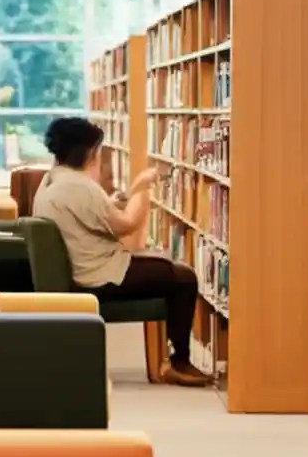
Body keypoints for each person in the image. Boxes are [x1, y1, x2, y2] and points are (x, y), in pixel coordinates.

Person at [32, 116, 208, 388]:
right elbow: (127, 226)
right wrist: (142, 188)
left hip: (81, 267)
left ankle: (174, 359)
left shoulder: (51, 181)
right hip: (98, 276)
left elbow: (91, 214)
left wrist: (113, 202)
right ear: (90, 152)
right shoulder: (80, 186)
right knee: (183, 277)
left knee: (163, 267)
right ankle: (178, 362)